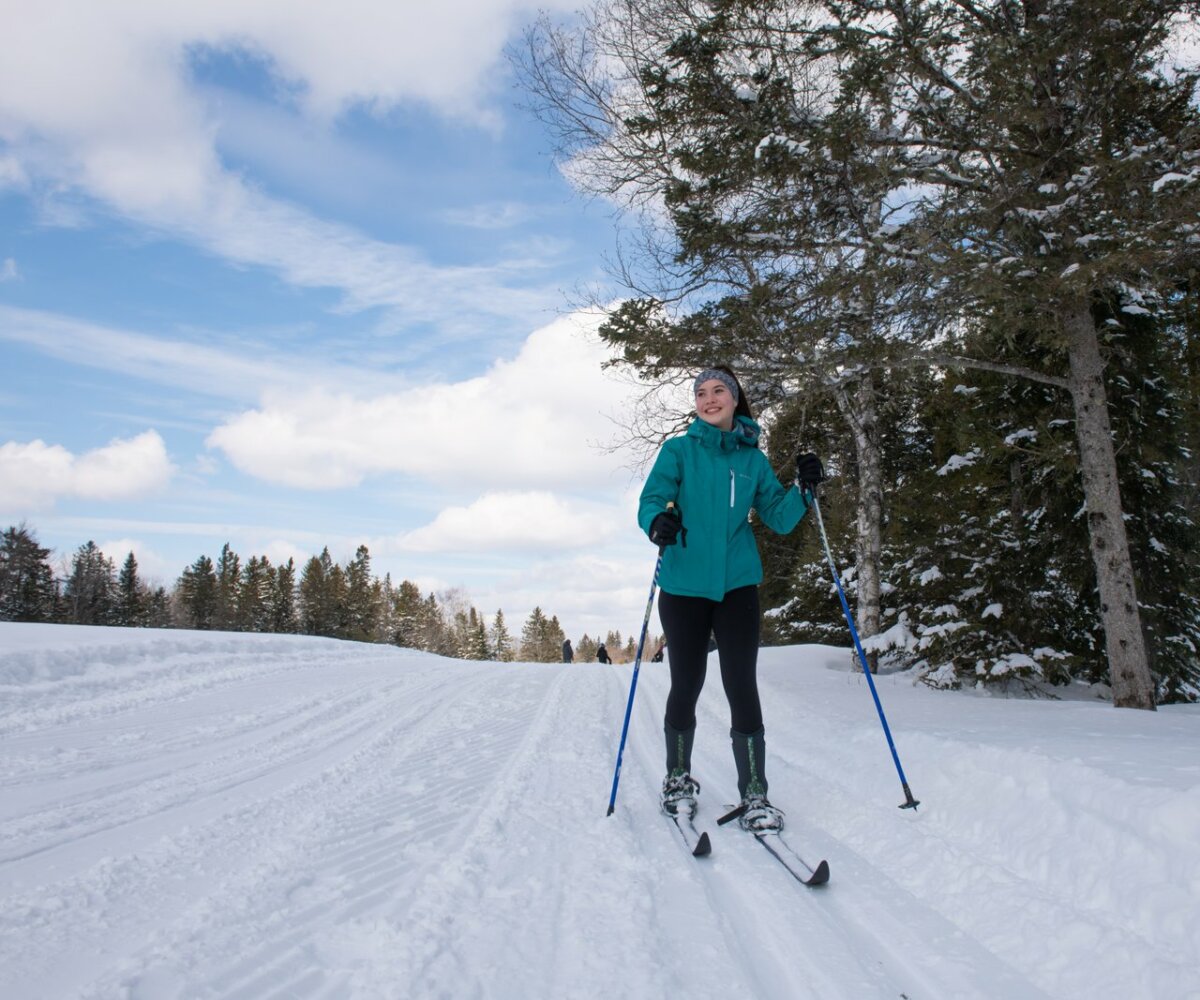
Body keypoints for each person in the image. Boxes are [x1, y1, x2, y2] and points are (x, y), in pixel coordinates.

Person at [638, 365, 824, 832]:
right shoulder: (679, 451)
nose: (709, 398)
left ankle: (755, 793)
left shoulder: (752, 460)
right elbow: (652, 500)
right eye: (700, 393)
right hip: (683, 588)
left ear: (736, 399)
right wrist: (656, 522)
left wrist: (804, 489)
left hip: (738, 585)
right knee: (687, 683)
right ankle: (678, 778)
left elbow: (779, 519)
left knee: (742, 684)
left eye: (719, 390)